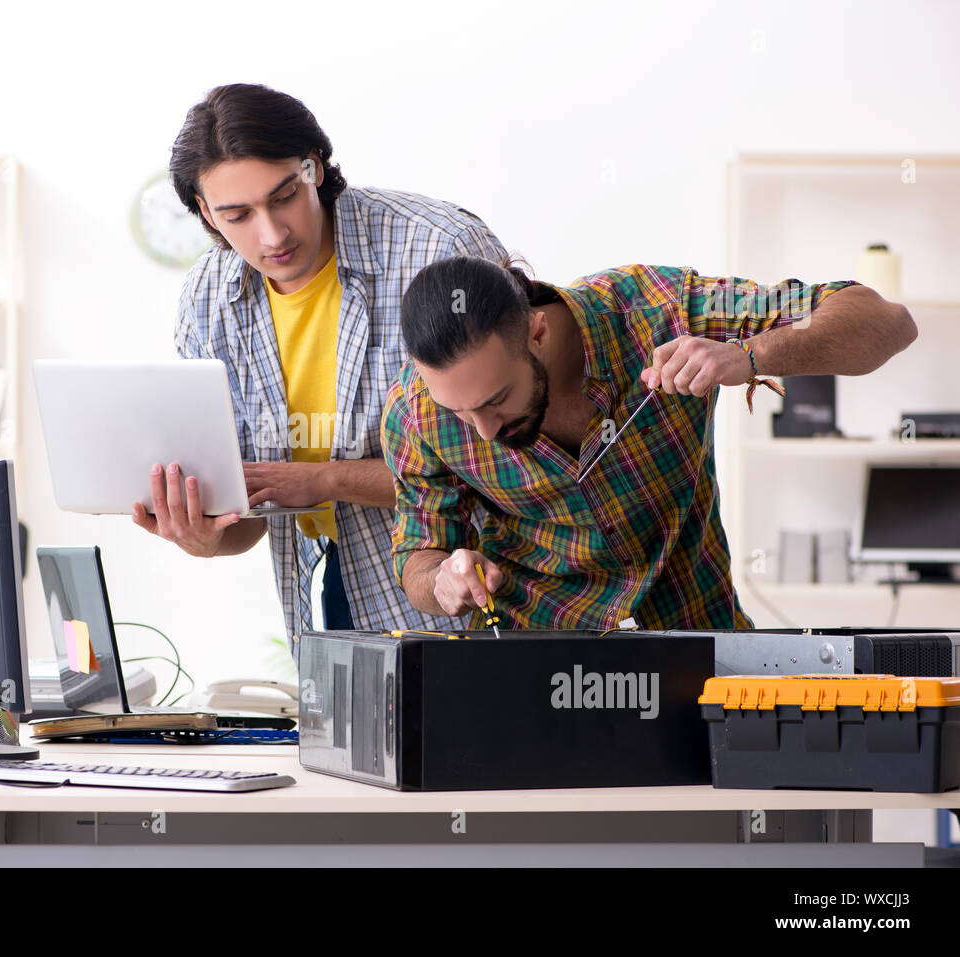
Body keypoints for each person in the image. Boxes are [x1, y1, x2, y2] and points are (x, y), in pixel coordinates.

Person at [129, 83, 506, 648]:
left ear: (316, 169)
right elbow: (250, 514)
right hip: (328, 595)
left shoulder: (438, 250)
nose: (272, 234)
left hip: (482, 599)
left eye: (283, 196)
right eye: (237, 214)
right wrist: (203, 535)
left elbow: (502, 459)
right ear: (205, 213)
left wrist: (324, 480)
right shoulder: (208, 300)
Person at [382, 255, 917, 630]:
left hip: (699, 652)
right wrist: (446, 582)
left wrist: (748, 356)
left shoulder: (661, 312)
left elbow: (887, 322)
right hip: (532, 667)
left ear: (537, 333)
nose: (484, 430)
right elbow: (419, 558)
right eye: (460, 411)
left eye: (497, 399)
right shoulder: (414, 411)